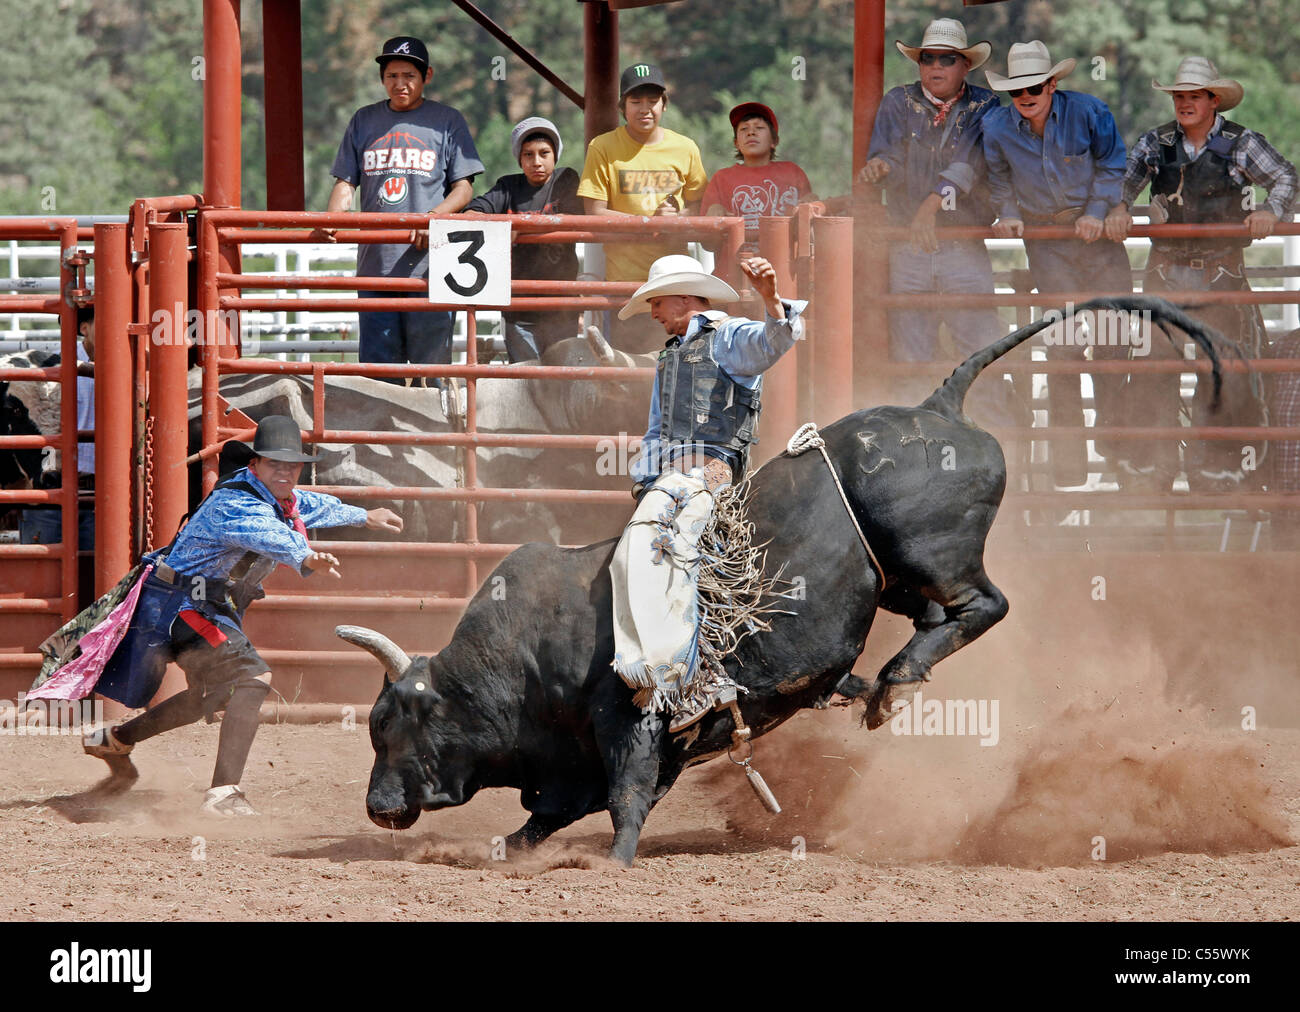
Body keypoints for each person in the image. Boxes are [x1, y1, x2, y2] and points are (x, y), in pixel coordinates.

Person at [81, 416, 404, 816]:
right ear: (255, 465)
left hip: (197, 603)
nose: (285, 472)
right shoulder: (235, 503)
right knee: (252, 678)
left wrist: (363, 516)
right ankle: (222, 794)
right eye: (275, 463)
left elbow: (311, 506)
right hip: (182, 605)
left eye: (292, 465)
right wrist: (305, 556)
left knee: (217, 693)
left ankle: (116, 739)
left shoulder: (278, 497)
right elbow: (265, 533)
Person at [609, 254, 806, 732]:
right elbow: (658, 428)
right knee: (637, 550)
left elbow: (771, 344)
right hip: (674, 479)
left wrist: (770, 299)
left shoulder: (729, 336)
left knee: (659, 549)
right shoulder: (671, 353)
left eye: (656, 301)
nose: (653, 312)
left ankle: (695, 678)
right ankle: (660, 669)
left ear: (683, 297)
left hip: (713, 471)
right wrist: (646, 476)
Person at [1107, 57, 1297, 492]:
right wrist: (1119, 206)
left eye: (1194, 96)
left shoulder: (1242, 143)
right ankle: (1155, 468)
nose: (1185, 104)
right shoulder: (1156, 142)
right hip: (1167, 272)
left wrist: (1271, 210)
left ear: (1213, 100)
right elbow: (1124, 180)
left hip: (1219, 273)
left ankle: (1210, 469)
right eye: (1179, 97)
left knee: (1220, 369)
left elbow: (1285, 176)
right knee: (1156, 367)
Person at [982, 40, 1132, 487]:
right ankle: (1070, 461)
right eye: (1017, 91)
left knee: (1113, 341)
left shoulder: (1090, 112)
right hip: (1047, 243)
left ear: (1051, 84)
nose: (1025, 97)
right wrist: (1007, 212)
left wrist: (1098, 211)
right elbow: (999, 178)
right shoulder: (997, 127)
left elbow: (1112, 165)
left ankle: (1116, 441)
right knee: (1064, 347)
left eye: (1033, 87)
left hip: (1098, 239)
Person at [858, 19, 1017, 427]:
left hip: (960, 245)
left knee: (980, 352)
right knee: (912, 355)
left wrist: (928, 207)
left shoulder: (984, 106)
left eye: (947, 59)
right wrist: (880, 166)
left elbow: (971, 162)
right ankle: (920, 444)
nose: (936, 67)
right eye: (928, 59)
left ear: (965, 65)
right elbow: (889, 155)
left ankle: (995, 440)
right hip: (911, 248)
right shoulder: (898, 102)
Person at [317, 36, 485, 379]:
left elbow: (464, 188)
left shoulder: (447, 121)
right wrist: (331, 220)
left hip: (430, 269)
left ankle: (436, 433)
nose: (400, 83)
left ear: (427, 76)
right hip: (376, 265)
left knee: (434, 370)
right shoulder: (363, 120)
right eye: (392, 75)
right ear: (382, 79)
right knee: (379, 373)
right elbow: (346, 183)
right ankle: (381, 436)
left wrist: (433, 219)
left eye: (408, 75)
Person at [578, 63, 708, 353]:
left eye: (653, 101)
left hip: (676, 285)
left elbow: (702, 205)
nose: (645, 109)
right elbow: (594, 211)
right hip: (627, 287)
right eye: (636, 101)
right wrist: (649, 222)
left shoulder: (685, 148)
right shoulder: (603, 147)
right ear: (623, 106)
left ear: (664, 104)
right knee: (630, 375)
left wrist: (677, 218)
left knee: (680, 366)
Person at [463, 116, 582, 361]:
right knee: (525, 380)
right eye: (528, 155)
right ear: (519, 158)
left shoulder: (565, 180)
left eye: (544, 153)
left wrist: (519, 229)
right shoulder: (508, 186)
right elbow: (474, 210)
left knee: (560, 379)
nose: (536, 161)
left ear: (555, 156)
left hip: (560, 306)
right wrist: (499, 226)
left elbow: (573, 216)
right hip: (518, 306)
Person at [20, 302, 96, 551]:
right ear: (85, 328)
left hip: (103, 491)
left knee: (96, 577)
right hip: (51, 487)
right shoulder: (52, 366)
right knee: (40, 566)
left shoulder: (134, 365)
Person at [701, 102, 815, 257]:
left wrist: (812, 204)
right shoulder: (721, 178)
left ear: (774, 141)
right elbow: (708, 244)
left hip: (783, 273)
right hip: (733, 273)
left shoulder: (793, 172)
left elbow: (809, 229)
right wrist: (713, 218)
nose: (751, 133)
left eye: (759, 128)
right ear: (736, 143)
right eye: (744, 129)